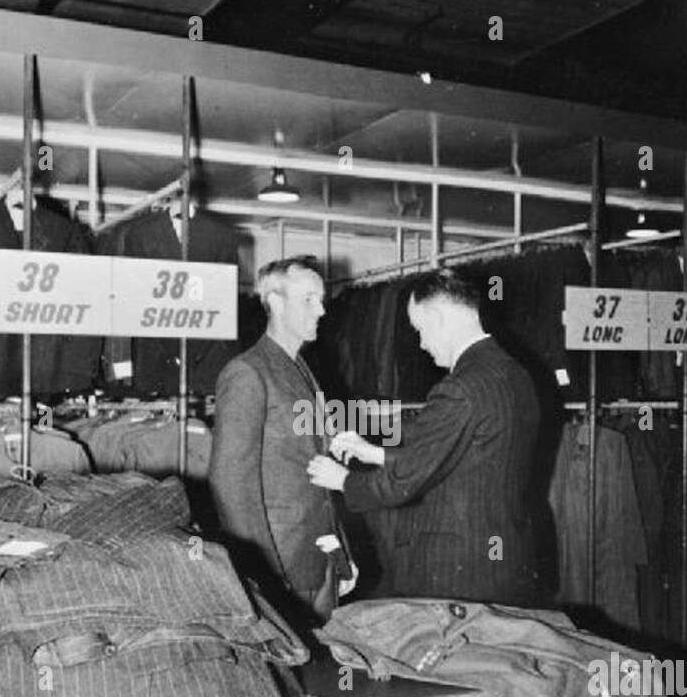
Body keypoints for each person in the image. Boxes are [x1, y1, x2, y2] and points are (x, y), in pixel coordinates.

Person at [307, 268, 541, 606]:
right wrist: (374, 452)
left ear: (435, 316)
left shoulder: (460, 387)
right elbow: (459, 456)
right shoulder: (514, 373)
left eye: (419, 330)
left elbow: (399, 485)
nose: (421, 344)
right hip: (502, 554)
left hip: (458, 567)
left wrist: (343, 480)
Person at [210, 255, 352, 625]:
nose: (321, 310)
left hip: (318, 558)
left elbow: (314, 472)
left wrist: (341, 552)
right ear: (275, 301)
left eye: (322, 299)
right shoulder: (247, 373)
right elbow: (231, 483)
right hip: (281, 563)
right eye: (309, 299)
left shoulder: (301, 369)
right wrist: (260, 574)